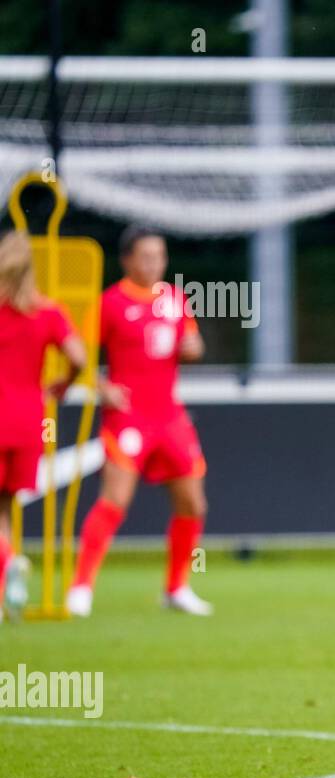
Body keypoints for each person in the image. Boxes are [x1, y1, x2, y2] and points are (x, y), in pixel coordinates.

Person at [66, 226, 212, 617]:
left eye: (160, 256)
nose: (154, 264)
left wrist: (193, 348)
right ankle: (81, 586)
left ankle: (177, 588)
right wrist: (103, 387)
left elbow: (191, 344)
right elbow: (75, 353)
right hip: (128, 416)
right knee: (115, 500)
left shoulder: (175, 299)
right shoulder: (110, 303)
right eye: (146, 256)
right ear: (127, 259)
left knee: (193, 503)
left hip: (170, 415)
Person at [0, 231, 87, 622]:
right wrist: (65, 383)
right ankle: (5, 586)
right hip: (28, 419)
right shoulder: (48, 312)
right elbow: (80, 356)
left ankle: (11, 562)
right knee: (4, 507)